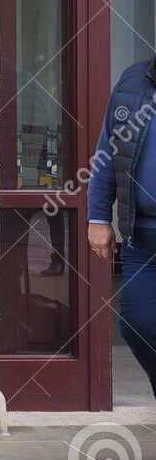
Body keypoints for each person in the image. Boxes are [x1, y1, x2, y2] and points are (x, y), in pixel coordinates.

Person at [88, 55, 156, 395]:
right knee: (136, 323)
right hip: (142, 237)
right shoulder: (134, 81)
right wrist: (98, 216)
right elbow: (108, 153)